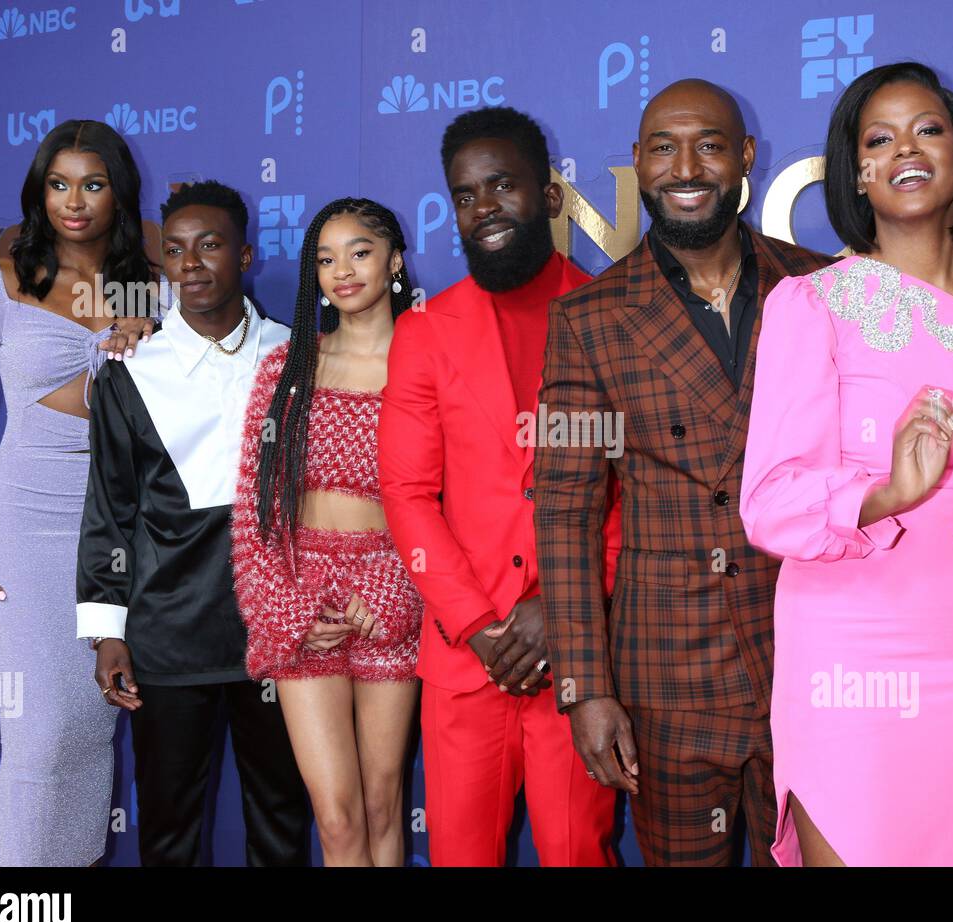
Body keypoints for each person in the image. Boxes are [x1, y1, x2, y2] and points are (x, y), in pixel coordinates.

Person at [740, 63, 953, 867]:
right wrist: (887, 491)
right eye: (880, 138)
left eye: (929, 129)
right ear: (857, 174)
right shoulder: (814, 303)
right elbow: (770, 503)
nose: (907, 149)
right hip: (848, 655)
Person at [533, 80, 832, 866]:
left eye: (708, 143)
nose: (685, 165)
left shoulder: (824, 288)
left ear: (746, 157)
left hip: (806, 657)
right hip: (664, 673)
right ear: (637, 163)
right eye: (663, 147)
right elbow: (565, 513)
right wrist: (587, 688)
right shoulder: (588, 319)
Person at [378, 106, 619, 866]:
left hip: (580, 659)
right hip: (464, 660)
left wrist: (566, 606)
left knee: (577, 850)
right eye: (465, 194)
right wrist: (480, 625)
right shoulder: (425, 331)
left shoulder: (612, 317)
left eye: (502, 186)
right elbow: (407, 494)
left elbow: (637, 491)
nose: (483, 209)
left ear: (549, 198)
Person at [0, 119, 154, 866]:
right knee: (36, 735)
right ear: (39, 190)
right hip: (20, 531)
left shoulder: (145, 288)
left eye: (93, 184)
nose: (75, 201)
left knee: (90, 732)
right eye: (59, 183)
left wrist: (142, 337)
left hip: (111, 536)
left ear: (118, 194)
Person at [76, 180, 308, 866]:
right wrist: (106, 634)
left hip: (276, 635)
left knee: (281, 821)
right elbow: (109, 507)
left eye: (210, 245)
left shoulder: (296, 357)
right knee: (170, 830)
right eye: (175, 250)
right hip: (167, 637)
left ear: (245, 255)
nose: (192, 263)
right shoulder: (129, 367)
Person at [233, 197, 423, 867]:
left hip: (388, 593)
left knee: (380, 803)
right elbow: (257, 507)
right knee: (336, 817)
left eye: (360, 252)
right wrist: (284, 607)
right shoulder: (288, 371)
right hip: (302, 593)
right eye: (324, 258)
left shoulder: (426, 364)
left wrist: (398, 585)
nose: (341, 271)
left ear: (395, 261)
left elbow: (449, 500)